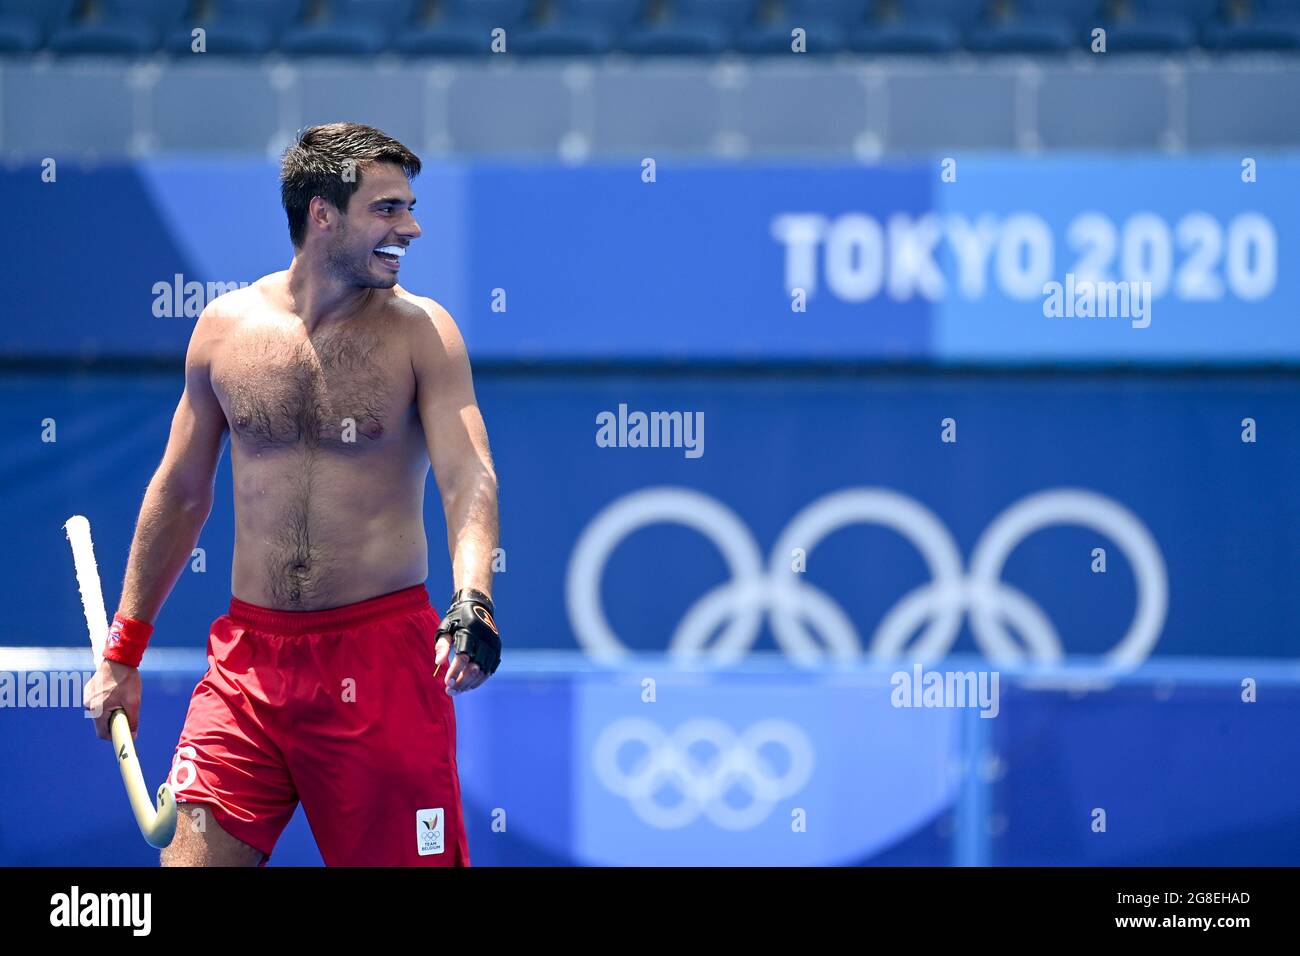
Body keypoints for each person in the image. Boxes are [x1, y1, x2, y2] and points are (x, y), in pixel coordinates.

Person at [82, 122, 501, 866]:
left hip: (380, 666)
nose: (411, 227)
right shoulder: (223, 329)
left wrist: (473, 597)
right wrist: (124, 650)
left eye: (409, 207)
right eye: (389, 208)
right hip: (249, 667)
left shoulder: (423, 333)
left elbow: (468, 474)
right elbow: (180, 494)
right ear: (322, 214)